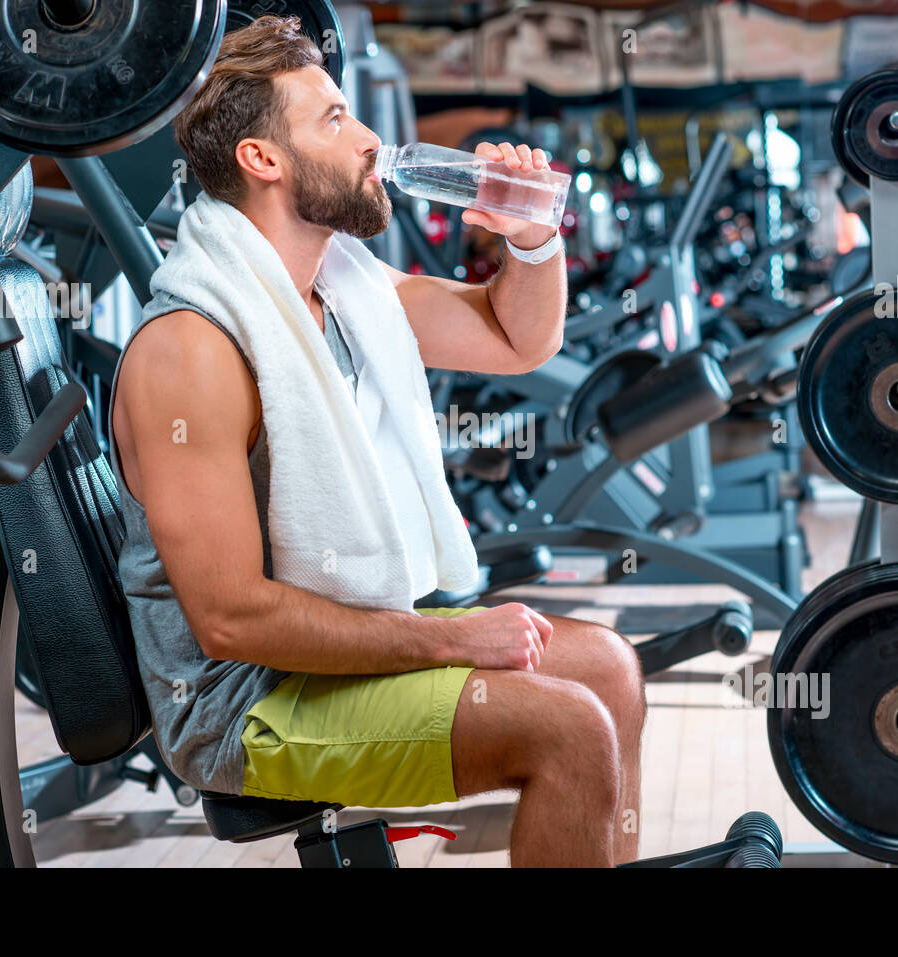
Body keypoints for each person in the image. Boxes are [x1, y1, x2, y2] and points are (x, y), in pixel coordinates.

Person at [108, 14, 645, 867]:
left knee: (610, 669)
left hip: (345, 644)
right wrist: (451, 637)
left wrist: (532, 234)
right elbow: (228, 618)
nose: (369, 141)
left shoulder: (347, 288)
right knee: (567, 727)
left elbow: (516, 339)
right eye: (333, 120)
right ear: (263, 159)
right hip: (245, 702)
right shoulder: (190, 351)